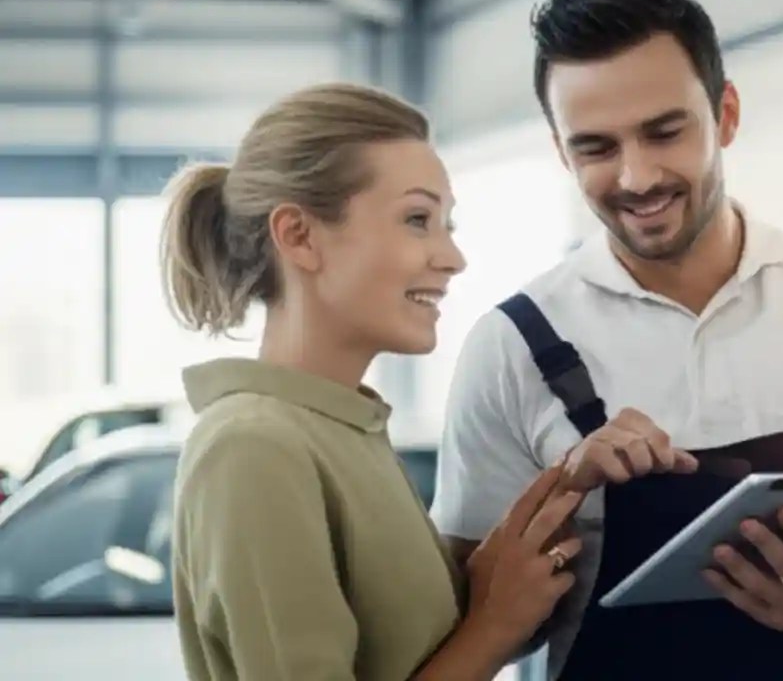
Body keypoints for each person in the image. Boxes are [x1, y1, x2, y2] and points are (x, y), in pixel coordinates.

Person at [429, 0, 783, 680]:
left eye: (664, 132)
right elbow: (471, 621)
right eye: (596, 147)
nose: (637, 177)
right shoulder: (511, 348)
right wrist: (563, 490)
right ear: (561, 151)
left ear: (726, 115)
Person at [162, 82, 586, 681]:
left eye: (446, 223)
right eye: (418, 220)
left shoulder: (341, 428)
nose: (452, 257)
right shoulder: (254, 447)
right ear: (298, 236)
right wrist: (490, 627)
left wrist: (574, 482)